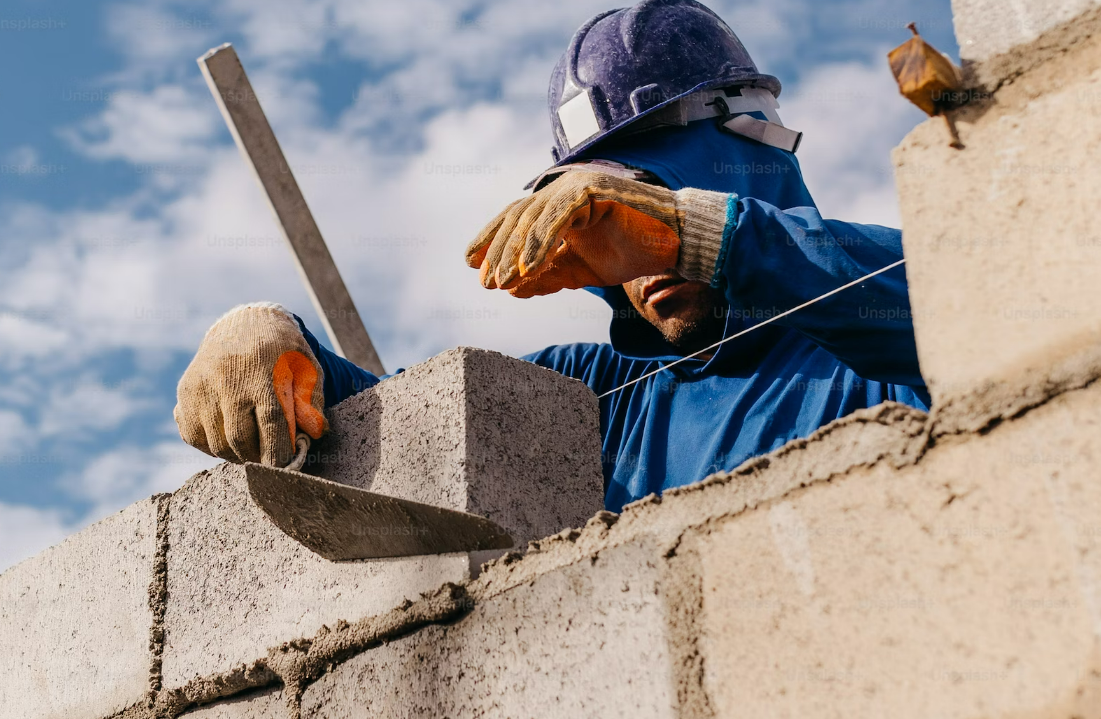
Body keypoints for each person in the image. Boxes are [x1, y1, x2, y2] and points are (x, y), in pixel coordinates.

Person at [174, 0, 930, 512]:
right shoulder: (604, 394)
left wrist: (693, 230)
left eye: (645, 212)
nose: (637, 262)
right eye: (604, 235)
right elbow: (414, 413)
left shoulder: (877, 321)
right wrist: (271, 335)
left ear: (741, 169)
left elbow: (954, 283)